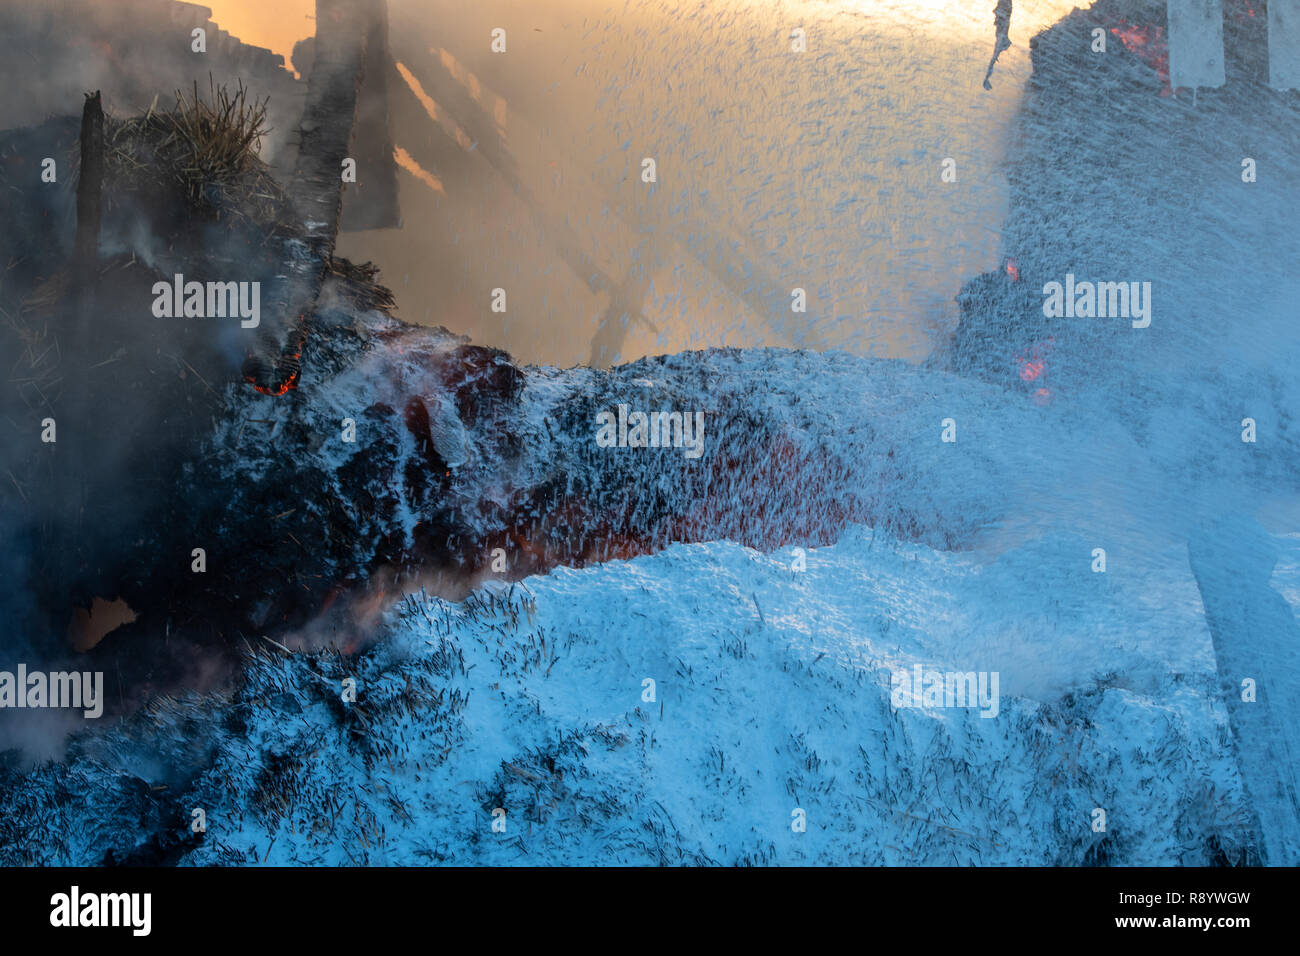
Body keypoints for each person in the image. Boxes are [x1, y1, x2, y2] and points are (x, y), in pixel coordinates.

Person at [983, 0, 1013, 90]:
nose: (993, 11)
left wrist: (987, 77)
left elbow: (993, 60)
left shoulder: (1001, 37)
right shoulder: (1001, 34)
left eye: (997, 15)